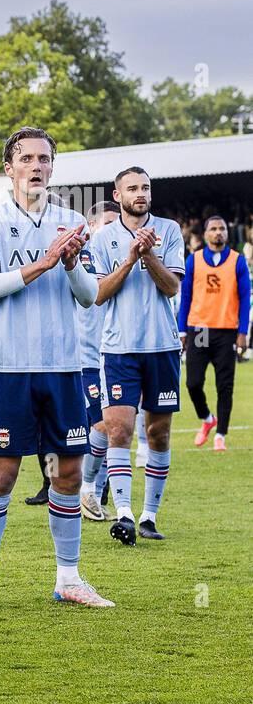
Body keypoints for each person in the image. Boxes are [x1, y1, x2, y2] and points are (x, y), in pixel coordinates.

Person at [0, 126, 112, 613]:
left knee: (68, 473)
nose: (36, 166)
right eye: (25, 158)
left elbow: (89, 295)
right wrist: (43, 263)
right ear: (9, 167)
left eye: (44, 159)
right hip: (10, 369)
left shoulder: (70, 221)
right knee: (2, 474)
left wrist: (68, 263)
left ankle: (68, 578)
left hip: (65, 368)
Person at [88, 166, 185, 545]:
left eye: (145, 187)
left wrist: (149, 256)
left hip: (161, 346)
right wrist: (130, 258)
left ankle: (149, 516)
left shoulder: (170, 230)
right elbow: (98, 293)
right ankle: (124, 513)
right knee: (119, 430)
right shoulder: (102, 240)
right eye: (133, 188)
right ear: (118, 196)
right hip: (118, 349)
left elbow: (172, 287)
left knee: (157, 433)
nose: (140, 193)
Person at [178, 215, 249, 452]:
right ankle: (208, 419)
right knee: (193, 383)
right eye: (213, 229)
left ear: (227, 234)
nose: (218, 232)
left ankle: (220, 435)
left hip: (227, 331)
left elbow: (245, 299)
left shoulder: (238, 261)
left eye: (222, 229)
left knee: (224, 386)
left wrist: (242, 332)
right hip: (199, 329)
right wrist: (182, 330)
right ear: (206, 234)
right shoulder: (194, 260)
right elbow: (185, 296)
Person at [71, 200, 120, 520]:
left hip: (117, 354)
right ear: (91, 226)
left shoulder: (122, 260)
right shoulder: (80, 259)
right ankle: (86, 489)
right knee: (101, 424)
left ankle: (95, 495)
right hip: (85, 356)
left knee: (114, 428)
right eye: (107, 223)